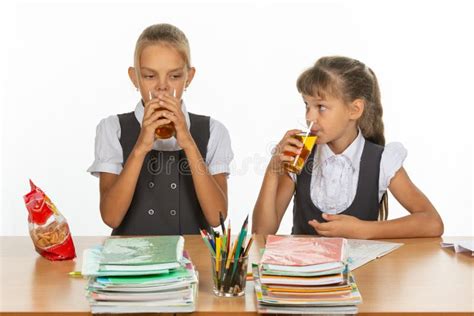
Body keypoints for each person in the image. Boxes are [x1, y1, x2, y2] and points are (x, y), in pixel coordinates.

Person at [252, 56, 443, 239]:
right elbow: (262, 232)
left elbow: (432, 222)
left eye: (321, 107)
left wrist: (363, 229)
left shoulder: (382, 161)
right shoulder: (299, 157)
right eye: (306, 105)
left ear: (354, 110)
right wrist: (273, 168)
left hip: (361, 272)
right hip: (303, 270)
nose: (310, 117)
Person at [87, 23, 233, 235]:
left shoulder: (213, 130)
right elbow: (111, 217)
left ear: (189, 77)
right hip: (133, 261)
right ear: (134, 77)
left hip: (192, 260)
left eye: (174, 76)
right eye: (149, 76)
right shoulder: (113, 129)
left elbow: (216, 216)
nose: (162, 87)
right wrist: (140, 148)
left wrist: (189, 144)